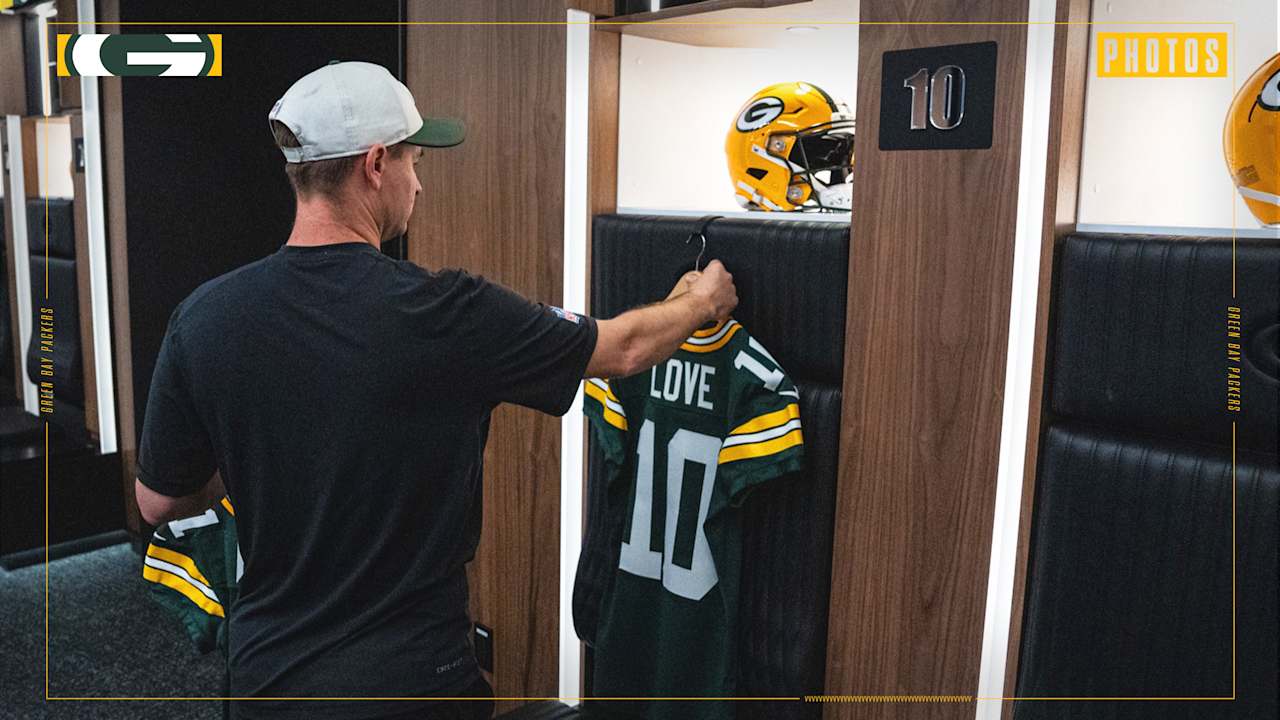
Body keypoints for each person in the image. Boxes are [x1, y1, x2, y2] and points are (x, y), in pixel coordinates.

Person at [132, 60, 737, 720]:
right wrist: (700, 302)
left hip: (268, 681)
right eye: (414, 161)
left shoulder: (206, 316)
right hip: (413, 686)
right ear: (374, 164)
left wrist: (260, 463)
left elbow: (159, 501)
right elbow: (621, 348)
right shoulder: (449, 313)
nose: (418, 184)